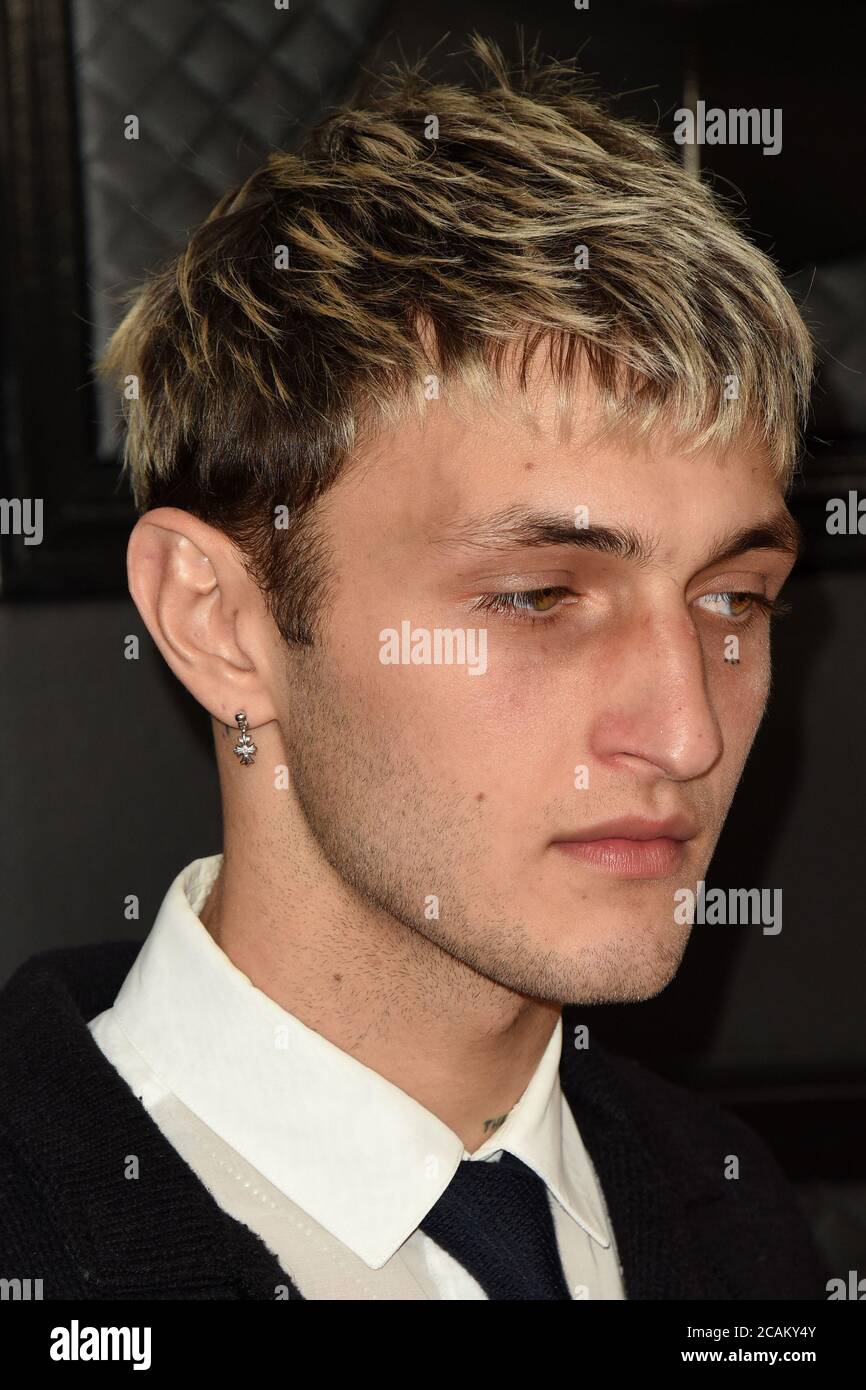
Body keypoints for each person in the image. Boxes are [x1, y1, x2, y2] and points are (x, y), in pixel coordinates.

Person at [0, 34, 827, 1299]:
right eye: (537, 596)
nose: (685, 730)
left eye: (731, 597)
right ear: (218, 622)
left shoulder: (730, 1218)